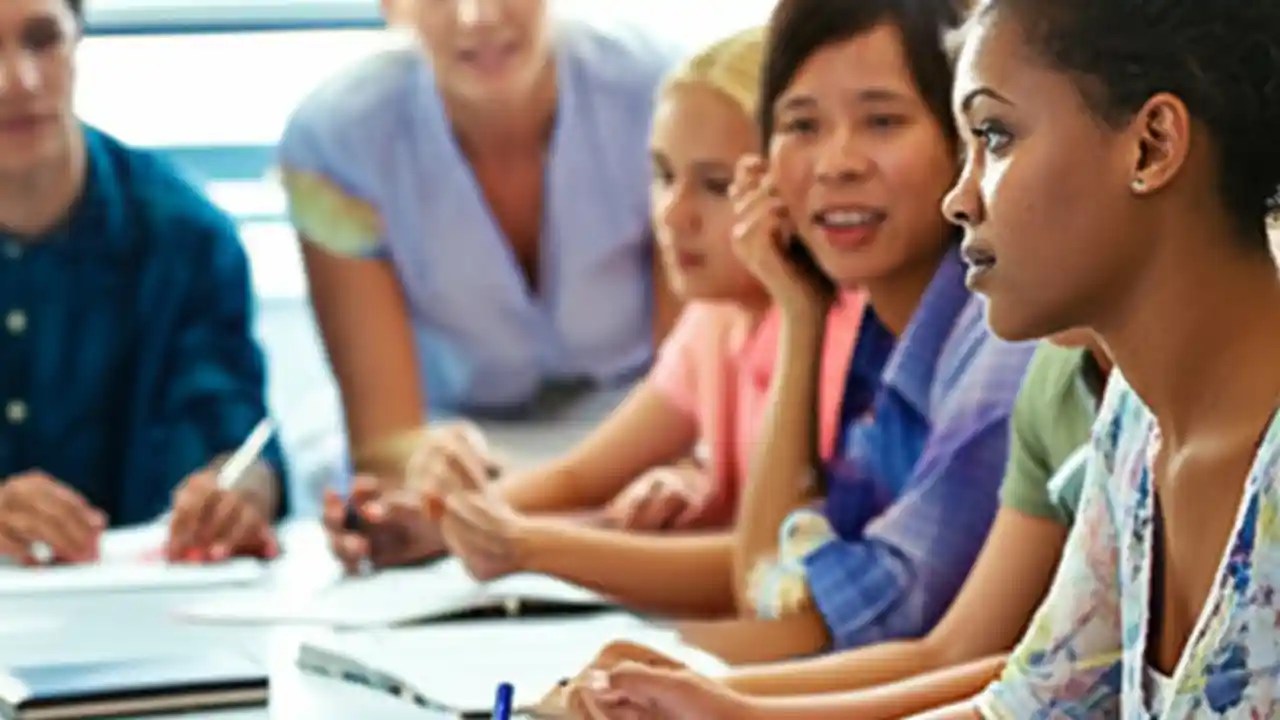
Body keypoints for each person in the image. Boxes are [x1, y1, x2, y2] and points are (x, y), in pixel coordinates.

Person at [432, 0, 1035, 660]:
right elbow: (774, 587)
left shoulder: (998, 348)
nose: (837, 163)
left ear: (966, 141)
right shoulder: (878, 339)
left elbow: (871, 627)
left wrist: (603, 660)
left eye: (882, 121)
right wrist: (801, 313)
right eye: (802, 126)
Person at [321, 28, 865, 581]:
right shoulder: (714, 323)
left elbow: (770, 566)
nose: (673, 217)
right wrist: (435, 521)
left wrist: (529, 546)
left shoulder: (829, 332)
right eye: (663, 176)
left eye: (716, 185)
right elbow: (581, 478)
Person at [942, 0, 1280, 716]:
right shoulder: (1135, 419)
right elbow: (1027, 710)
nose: (959, 199)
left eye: (995, 137)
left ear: (1151, 145)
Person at [562, 337, 1108, 719]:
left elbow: (849, 616)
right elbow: (1009, 672)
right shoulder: (1055, 373)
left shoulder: (1009, 363)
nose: (962, 201)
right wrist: (715, 698)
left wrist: (732, 703)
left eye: (999, 161)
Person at [278, 0, 685, 483]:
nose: (476, 16)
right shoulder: (335, 141)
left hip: (645, 432)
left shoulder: (661, 93)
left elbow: (695, 397)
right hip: (454, 451)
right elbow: (386, 440)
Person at [0, 0, 286, 565]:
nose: (17, 80)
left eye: (42, 40)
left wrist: (238, 494)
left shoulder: (189, 237)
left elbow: (238, 443)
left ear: (79, 39)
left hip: (156, 614)